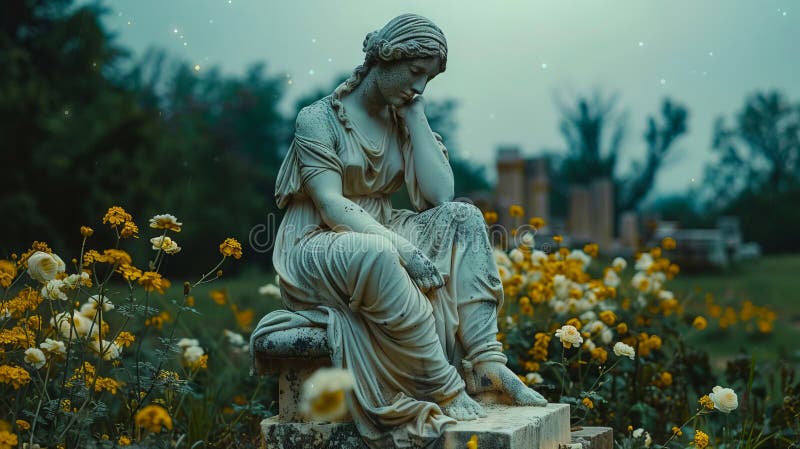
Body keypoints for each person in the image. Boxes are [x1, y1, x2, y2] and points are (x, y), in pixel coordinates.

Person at [260, 13, 546, 449]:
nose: (420, 86)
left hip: (382, 225)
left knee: (465, 218)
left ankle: (487, 362)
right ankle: (442, 385)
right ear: (386, 57)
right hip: (316, 241)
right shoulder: (317, 119)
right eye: (415, 74)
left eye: (428, 79)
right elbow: (332, 205)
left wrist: (415, 115)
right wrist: (402, 250)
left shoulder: (402, 115)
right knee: (377, 253)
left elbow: (440, 195)